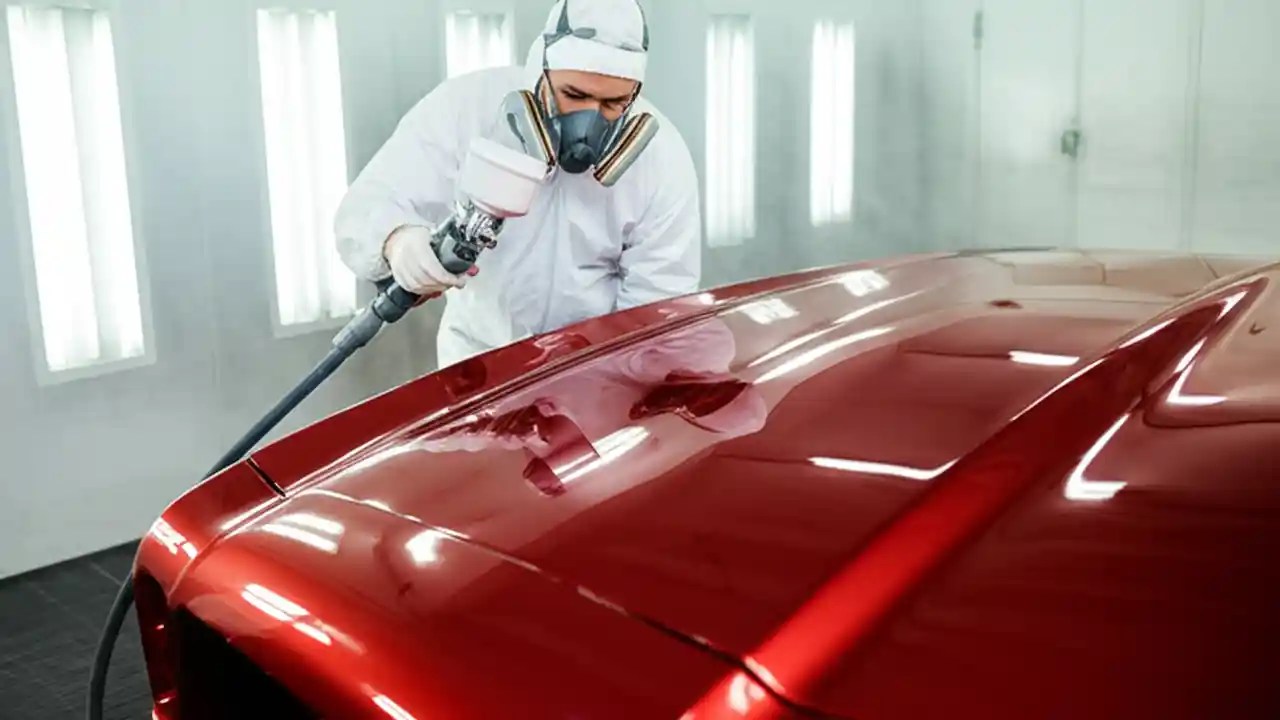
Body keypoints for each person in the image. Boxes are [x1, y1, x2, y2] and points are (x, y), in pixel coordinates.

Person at [334, 0, 702, 369]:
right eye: (574, 95)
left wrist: (616, 379)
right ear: (541, 70)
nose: (589, 123)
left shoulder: (660, 160)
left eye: (613, 103)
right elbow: (367, 206)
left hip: (594, 374)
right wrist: (397, 242)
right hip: (477, 365)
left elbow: (655, 312)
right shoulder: (467, 110)